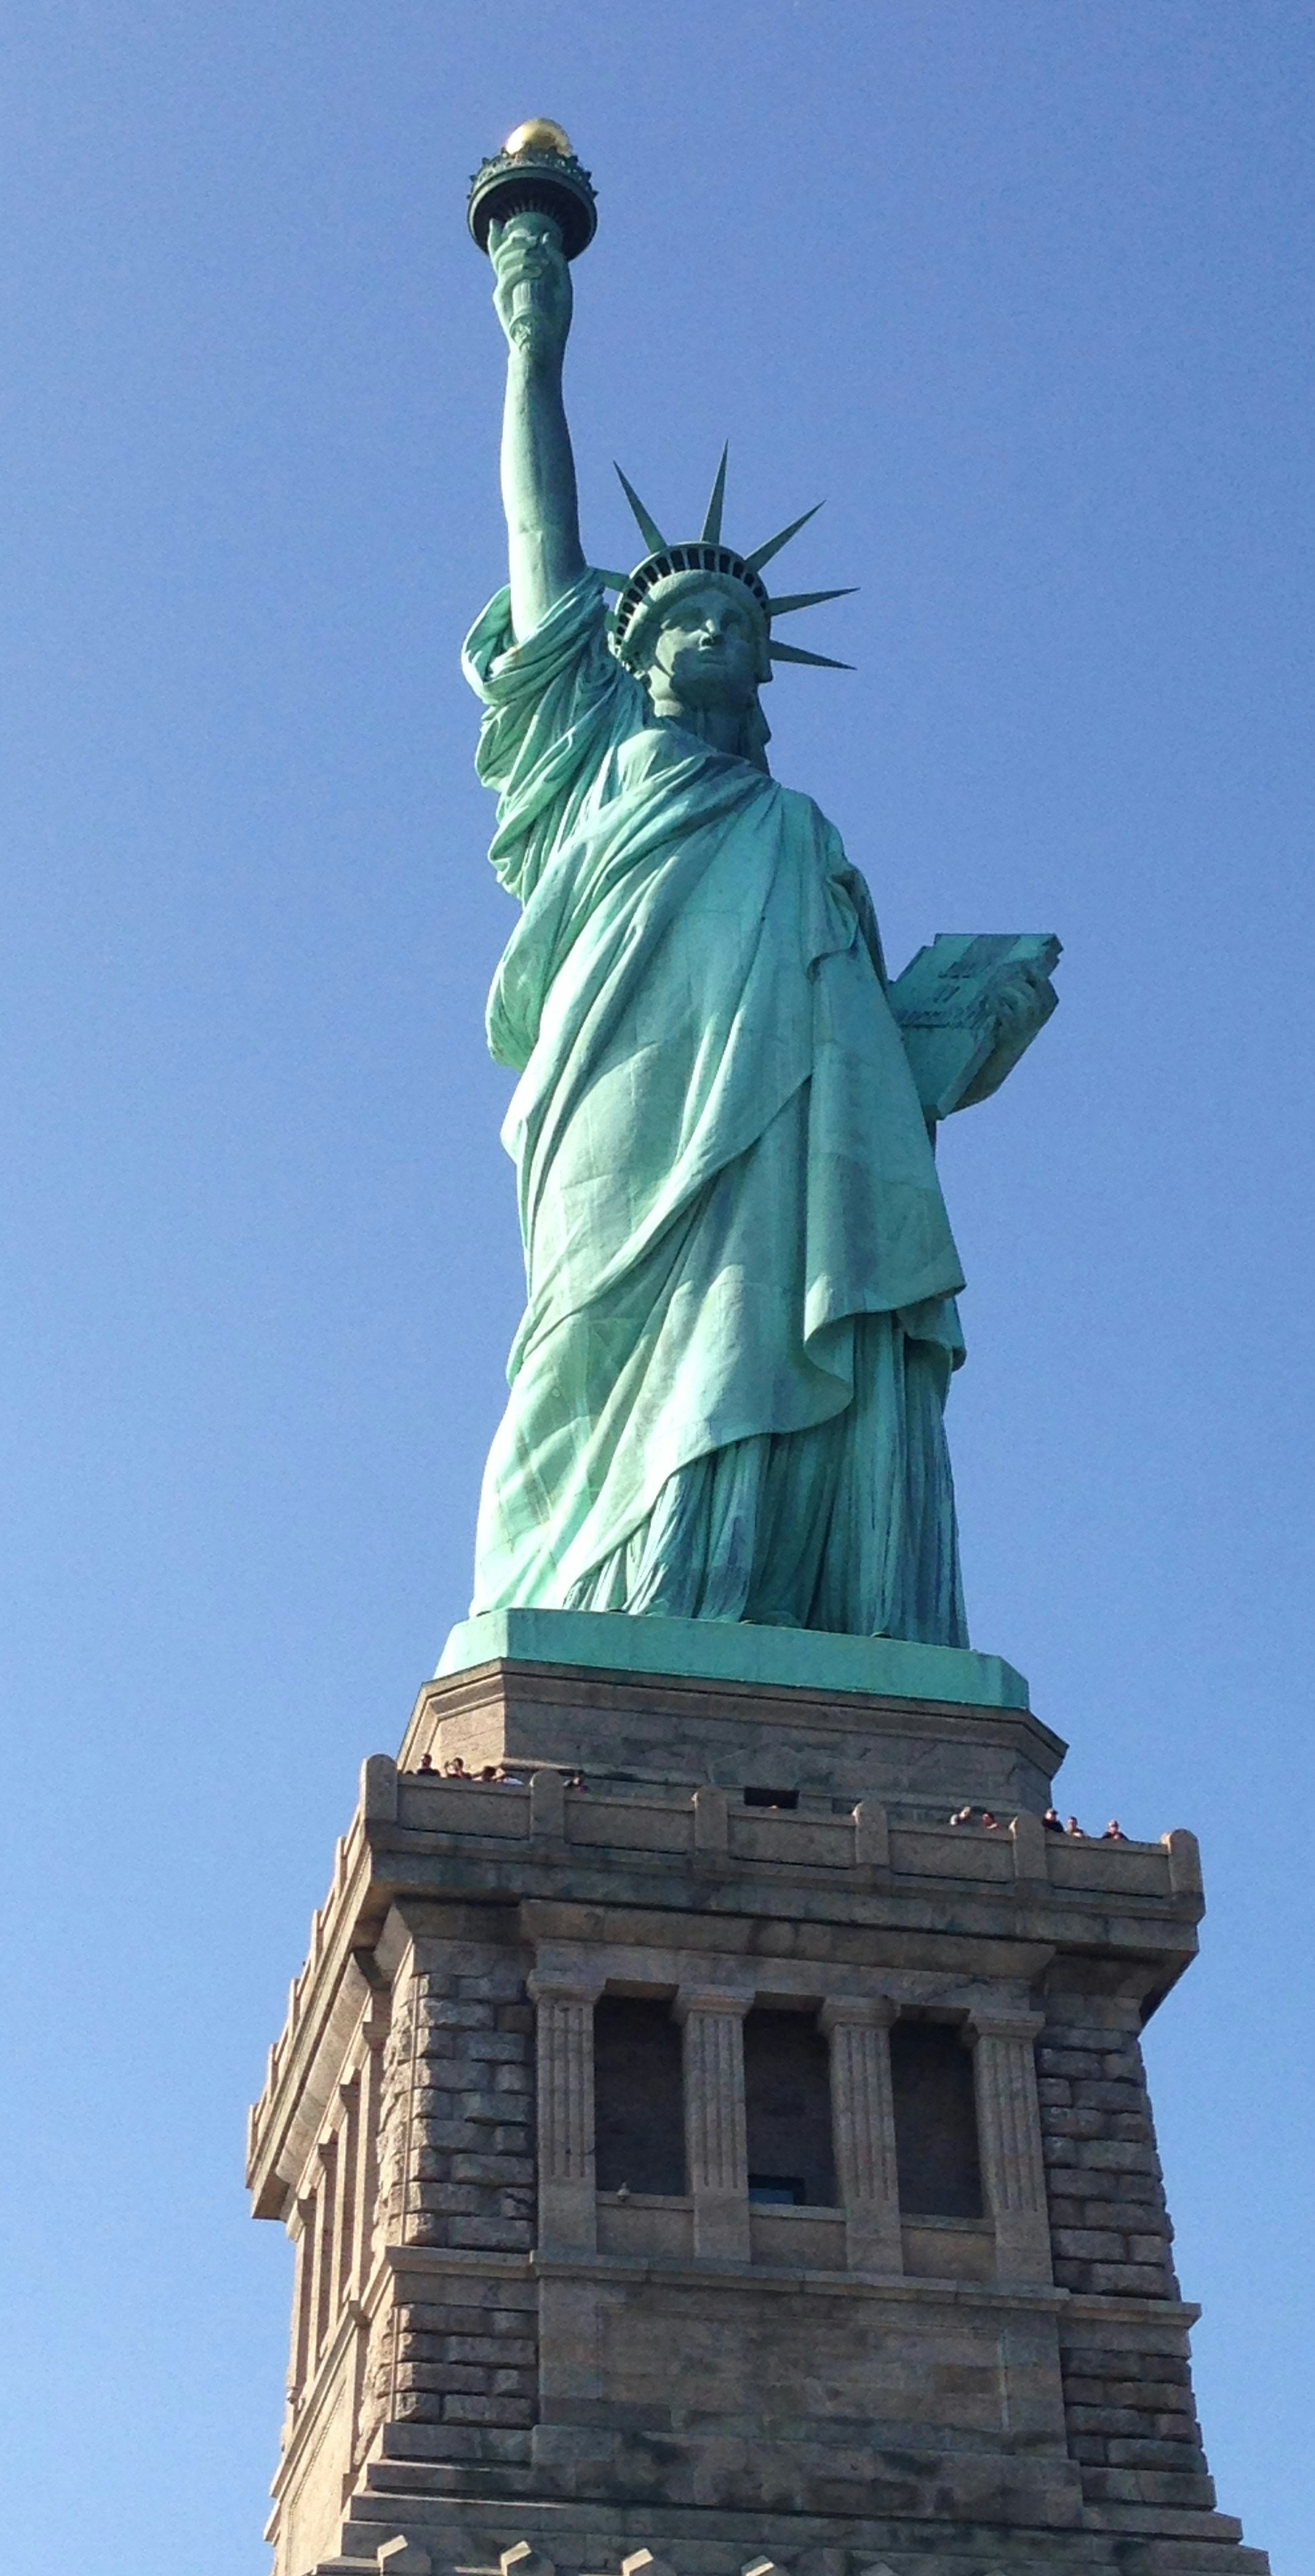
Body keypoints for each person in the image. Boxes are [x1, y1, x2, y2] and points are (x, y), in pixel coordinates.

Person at [462, 206, 982, 1644]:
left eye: (734, 626)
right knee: (582, 1343)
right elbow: (540, 535)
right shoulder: (590, 761)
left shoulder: (801, 834)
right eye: (678, 621)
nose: (707, 635)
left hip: (792, 1134)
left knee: (772, 1304)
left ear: (762, 665)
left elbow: (868, 1058)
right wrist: (532, 343)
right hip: (624, 1094)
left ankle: (753, 1588)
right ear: (627, 656)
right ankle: (583, 1599)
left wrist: (959, 1025)